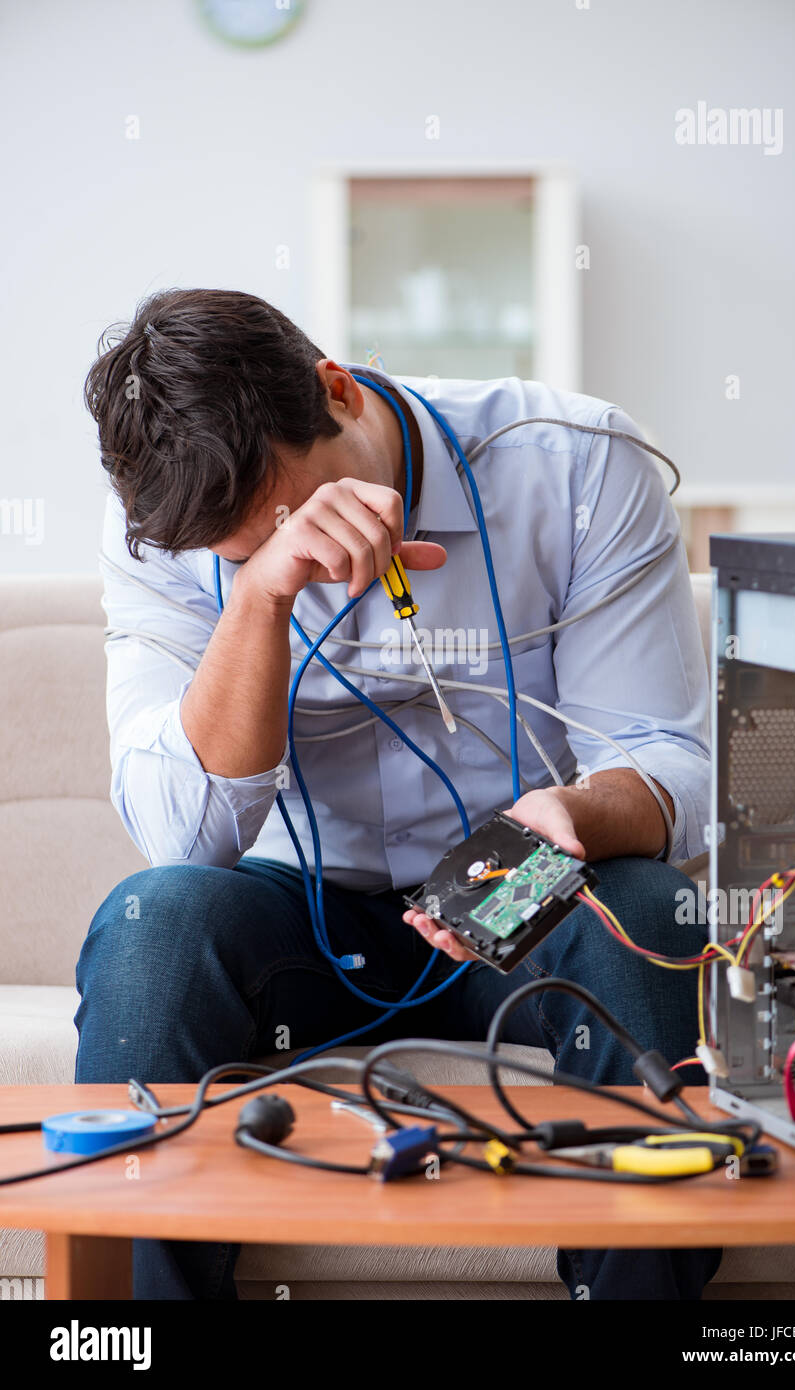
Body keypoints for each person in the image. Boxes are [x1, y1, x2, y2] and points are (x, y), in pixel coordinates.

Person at [78, 286, 718, 1300]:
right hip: (305, 928)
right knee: (154, 919)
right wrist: (258, 597)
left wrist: (578, 813)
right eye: (239, 551)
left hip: (520, 902)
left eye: (293, 514)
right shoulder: (167, 535)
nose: (325, 562)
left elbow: (668, 763)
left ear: (338, 389)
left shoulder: (579, 465)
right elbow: (181, 839)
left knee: (646, 905)